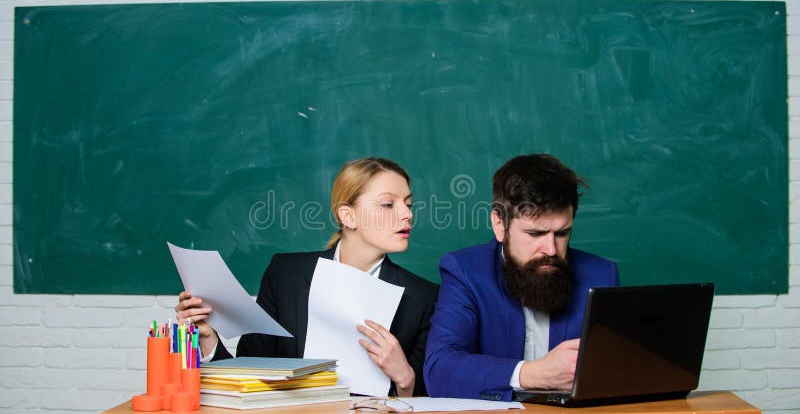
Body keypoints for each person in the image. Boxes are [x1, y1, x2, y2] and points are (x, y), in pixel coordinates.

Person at [175, 157, 438, 397]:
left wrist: (405, 378)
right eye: (388, 204)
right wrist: (208, 338)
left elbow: (428, 400)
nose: (407, 214)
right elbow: (249, 373)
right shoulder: (285, 275)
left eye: (408, 204)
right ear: (348, 216)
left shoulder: (423, 297)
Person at [423, 154, 619, 401]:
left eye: (562, 233)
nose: (551, 249)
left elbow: (616, 372)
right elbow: (440, 370)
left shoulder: (601, 275)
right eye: (535, 234)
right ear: (499, 224)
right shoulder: (465, 271)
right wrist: (532, 374)